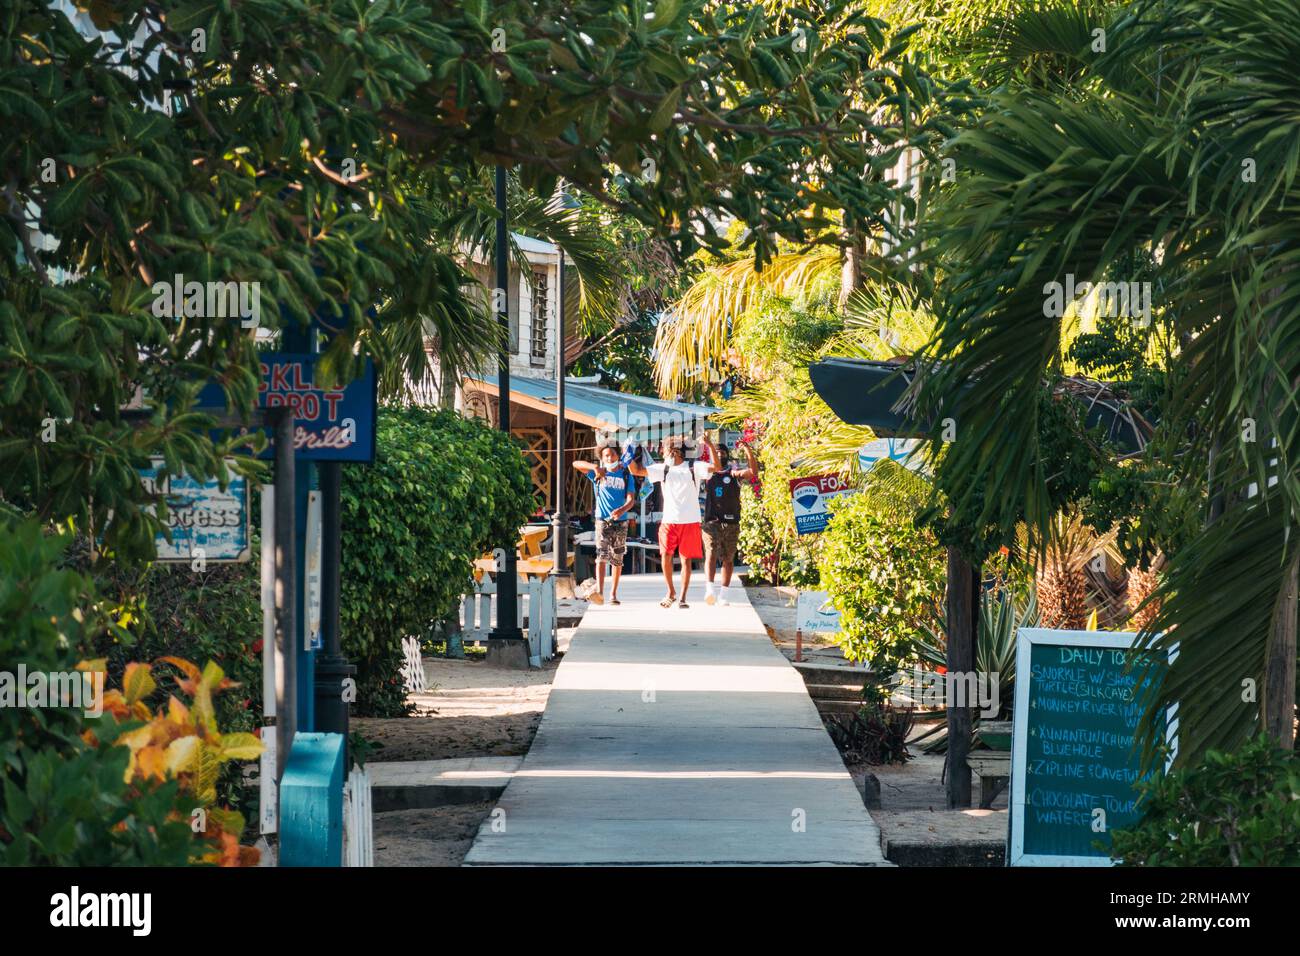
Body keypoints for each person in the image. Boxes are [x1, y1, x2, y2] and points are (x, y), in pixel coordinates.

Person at [636, 436, 712, 608]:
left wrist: (710, 445)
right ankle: (671, 592)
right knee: (665, 556)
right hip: (669, 520)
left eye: (665, 449)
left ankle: (683, 597)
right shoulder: (662, 469)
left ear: (675, 451)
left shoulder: (694, 467)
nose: (662, 452)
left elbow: (717, 467)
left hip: (690, 521)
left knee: (686, 560)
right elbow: (636, 471)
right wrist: (629, 452)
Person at [572, 441, 637, 605]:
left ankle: (613, 594)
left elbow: (631, 499)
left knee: (617, 559)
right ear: (601, 458)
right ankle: (600, 591)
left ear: (618, 455)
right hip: (602, 520)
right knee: (601, 557)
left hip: (621, 522)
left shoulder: (626, 474)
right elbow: (575, 463)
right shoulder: (598, 473)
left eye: (613, 454)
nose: (610, 458)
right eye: (606, 455)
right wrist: (594, 468)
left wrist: (622, 510)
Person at [700, 434, 758, 605]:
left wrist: (747, 449)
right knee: (710, 553)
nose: (719, 455)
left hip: (732, 522)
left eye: (722, 453)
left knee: (728, 558)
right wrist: (709, 444)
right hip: (712, 522)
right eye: (716, 453)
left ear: (727, 455)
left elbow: (753, 472)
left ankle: (723, 594)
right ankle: (710, 589)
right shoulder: (708, 474)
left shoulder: (733, 474)